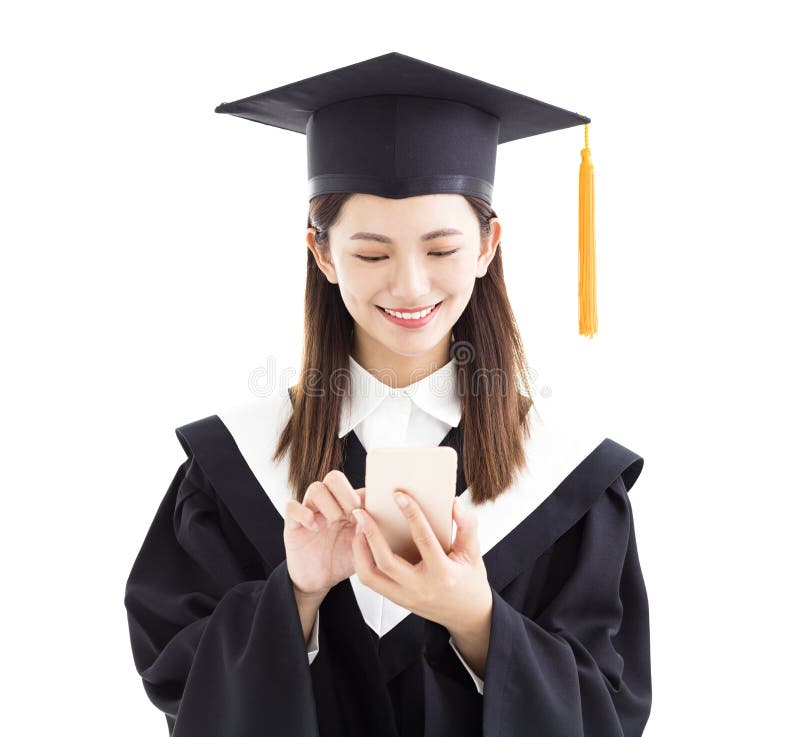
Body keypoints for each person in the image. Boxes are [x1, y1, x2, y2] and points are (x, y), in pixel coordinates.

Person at [124, 52, 652, 737]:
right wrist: (297, 595)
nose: (409, 286)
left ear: (490, 244)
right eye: (372, 254)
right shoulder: (235, 467)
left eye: (441, 250)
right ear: (321, 252)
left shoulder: (567, 477)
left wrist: (478, 622)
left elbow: (608, 714)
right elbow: (181, 686)